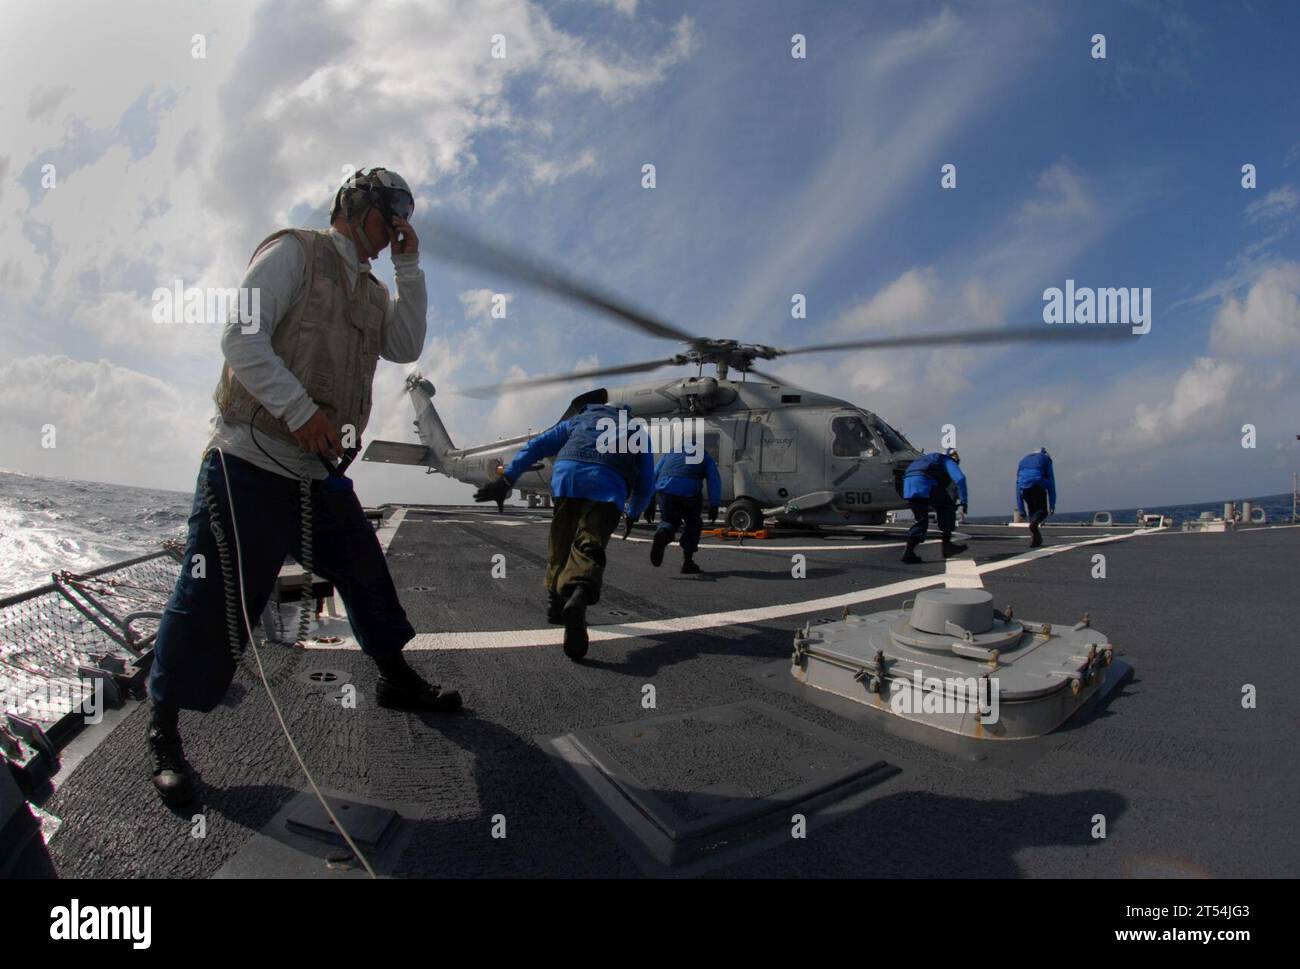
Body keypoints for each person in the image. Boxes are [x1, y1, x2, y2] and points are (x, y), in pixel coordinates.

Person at [146, 168, 462, 808]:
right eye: (389, 217)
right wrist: (299, 410)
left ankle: (394, 678)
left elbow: (406, 344)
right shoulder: (294, 251)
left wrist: (409, 269)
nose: (395, 229)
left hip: (315, 475)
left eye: (402, 221)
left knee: (365, 573)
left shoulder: (373, 291)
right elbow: (240, 336)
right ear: (355, 206)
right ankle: (163, 732)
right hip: (248, 462)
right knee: (211, 601)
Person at [474, 402, 655, 661]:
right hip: (608, 485)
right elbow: (646, 482)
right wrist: (634, 514)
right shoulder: (636, 430)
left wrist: (508, 478)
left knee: (559, 542)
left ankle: (555, 604)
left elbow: (536, 446)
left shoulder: (578, 421)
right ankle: (579, 593)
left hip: (567, 477)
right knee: (589, 545)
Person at [650, 442, 722, 574]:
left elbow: (654, 473)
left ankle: (663, 533)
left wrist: (650, 501)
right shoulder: (704, 455)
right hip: (690, 492)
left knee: (669, 521)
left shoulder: (670, 453)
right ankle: (687, 562)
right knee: (693, 523)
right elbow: (714, 479)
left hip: (666, 489)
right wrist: (714, 504)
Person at [900, 448, 968, 563]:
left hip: (908, 485)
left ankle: (909, 552)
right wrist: (963, 502)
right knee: (947, 507)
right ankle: (947, 545)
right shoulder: (947, 460)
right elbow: (960, 478)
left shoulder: (927, 460)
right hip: (924, 482)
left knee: (921, 520)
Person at [1016, 447, 1056, 548]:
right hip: (1037, 484)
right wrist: (1052, 505)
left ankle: (1035, 539)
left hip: (1023, 488)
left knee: (1032, 511)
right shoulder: (1046, 460)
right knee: (1042, 511)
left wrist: (1021, 509)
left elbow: (1018, 485)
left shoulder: (1023, 460)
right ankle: (1033, 525)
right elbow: (1051, 484)